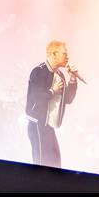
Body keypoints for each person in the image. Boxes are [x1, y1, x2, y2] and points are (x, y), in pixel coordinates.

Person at [25, 40, 80, 168]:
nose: (67, 57)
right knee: (42, 164)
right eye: (64, 53)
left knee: (55, 163)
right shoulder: (38, 72)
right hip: (37, 124)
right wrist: (52, 91)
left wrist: (72, 78)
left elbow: (68, 99)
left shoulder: (60, 75)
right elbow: (36, 98)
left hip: (49, 126)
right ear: (53, 54)